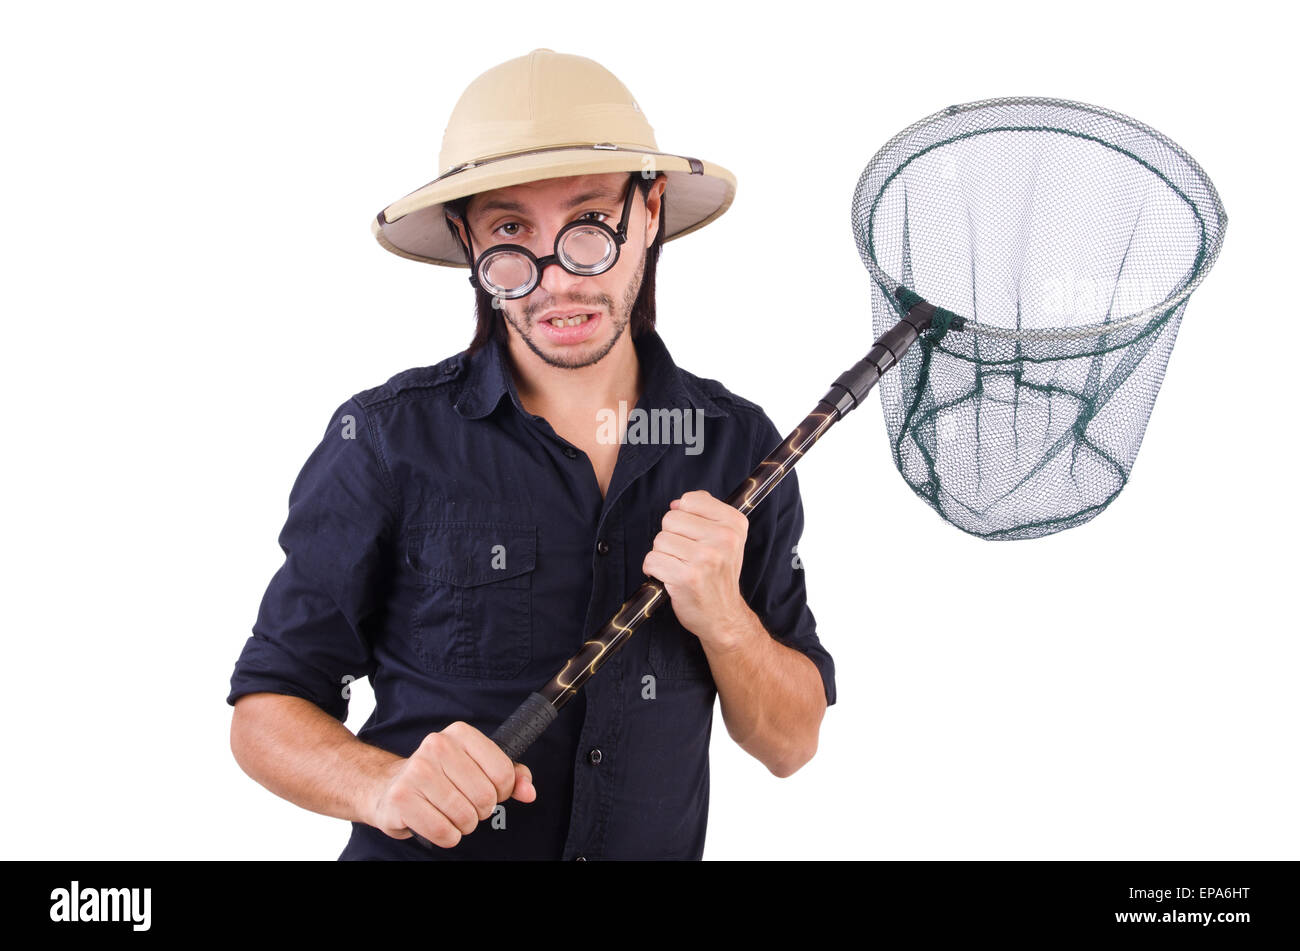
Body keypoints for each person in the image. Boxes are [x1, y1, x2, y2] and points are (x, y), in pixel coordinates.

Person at [227, 48, 835, 861]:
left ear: (650, 212)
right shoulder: (384, 441)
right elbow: (265, 707)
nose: (557, 281)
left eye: (589, 223)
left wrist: (724, 617)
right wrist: (382, 784)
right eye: (511, 231)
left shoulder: (735, 446)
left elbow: (791, 743)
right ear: (466, 239)